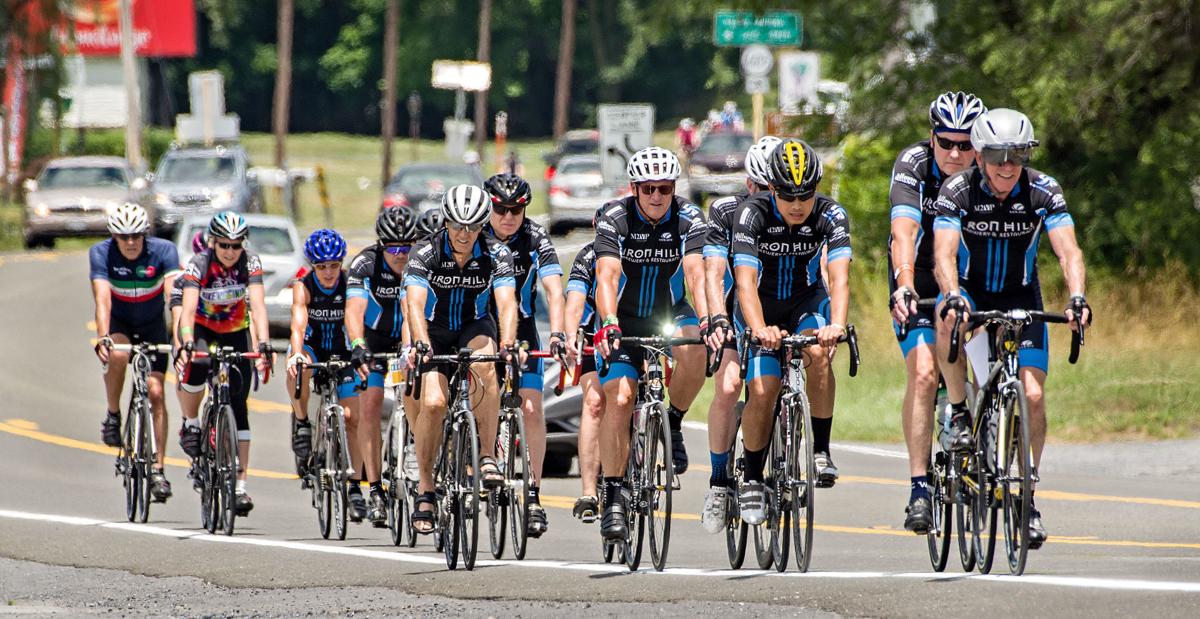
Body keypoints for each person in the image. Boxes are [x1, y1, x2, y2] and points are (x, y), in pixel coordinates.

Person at [932, 108, 1091, 547]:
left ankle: (1028, 498)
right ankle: (961, 410)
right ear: (980, 155)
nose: (1007, 165)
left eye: (1017, 155)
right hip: (972, 294)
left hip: (1023, 297)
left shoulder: (1042, 190)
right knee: (945, 319)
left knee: (1034, 396)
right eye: (998, 155)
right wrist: (951, 294)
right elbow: (944, 254)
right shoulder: (957, 189)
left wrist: (1077, 297)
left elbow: (1068, 251)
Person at [731, 139, 852, 524]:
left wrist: (836, 325)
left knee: (818, 354)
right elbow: (745, 282)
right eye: (786, 195)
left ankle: (821, 450)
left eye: (806, 195)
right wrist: (758, 328)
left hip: (806, 301)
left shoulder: (831, 215)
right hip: (759, 306)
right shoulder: (752, 214)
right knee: (763, 389)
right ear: (771, 188)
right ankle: (751, 478)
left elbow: (839, 276)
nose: (797, 205)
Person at [592, 146, 709, 540]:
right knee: (621, 399)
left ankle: (672, 421)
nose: (657, 196)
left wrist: (712, 318)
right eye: (648, 189)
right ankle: (611, 495)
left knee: (696, 348)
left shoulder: (689, 217)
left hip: (670, 309)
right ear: (635, 189)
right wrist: (608, 322)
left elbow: (696, 273)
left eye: (664, 188)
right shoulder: (615, 218)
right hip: (622, 319)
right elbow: (606, 277)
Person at [888, 91, 987, 533]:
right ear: (931, 138)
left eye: (965, 145)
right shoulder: (913, 165)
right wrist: (905, 283)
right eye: (946, 142)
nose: (954, 153)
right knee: (926, 374)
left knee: (989, 370)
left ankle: (992, 442)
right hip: (921, 284)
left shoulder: (995, 171)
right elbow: (904, 231)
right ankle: (919, 487)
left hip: (977, 285)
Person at [403, 184, 521, 535]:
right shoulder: (424, 252)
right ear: (446, 221)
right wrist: (421, 343)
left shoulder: (497, 253)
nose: (464, 234)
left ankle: (487, 455)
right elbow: (413, 303)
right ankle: (426, 490)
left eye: (472, 227)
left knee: (486, 364)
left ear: (484, 224)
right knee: (435, 404)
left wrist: (509, 342)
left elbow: (506, 302)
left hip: (474, 324)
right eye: (457, 225)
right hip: (433, 329)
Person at [698, 135, 780, 533]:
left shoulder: (798, 212)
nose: (771, 197)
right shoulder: (726, 211)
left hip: (781, 311)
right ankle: (717, 483)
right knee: (729, 387)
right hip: (734, 310)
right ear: (750, 185)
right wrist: (716, 318)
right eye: (763, 189)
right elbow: (714, 272)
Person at [482, 173, 567, 537]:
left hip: (524, 332)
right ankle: (471, 464)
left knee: (532, 407)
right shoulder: (474, 237)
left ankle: (533, 496)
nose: (508, 216)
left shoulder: (535, 237)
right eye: (500, 209)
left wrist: (560, 333)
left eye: (516, 209)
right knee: (473, 397)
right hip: (479, 330)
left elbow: (553, 289)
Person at [176, 211, 273, 516]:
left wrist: (264, 344)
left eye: (236, 245)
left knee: (239, 403)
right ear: (213, 242)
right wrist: (188, 340)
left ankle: (241, 487)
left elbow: (257, 305)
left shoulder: (250, 262)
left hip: (235, 331)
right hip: (205, 329)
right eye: (224, 245)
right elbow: (188, 310)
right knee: (198, 366)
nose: (231, 252)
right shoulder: (200, 264)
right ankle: (190, 424)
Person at [90, 203, 180, 502]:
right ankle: (114, 415)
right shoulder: (101, 253)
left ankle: (158, 470)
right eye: (123, 237)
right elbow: (102, 300)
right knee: (116, 354)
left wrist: (181, 337)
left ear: (145, 234)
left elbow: (174, 297)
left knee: (155, 392)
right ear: (114, 236)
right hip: (121, 322)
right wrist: (103, 337)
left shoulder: (164, 252)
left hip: (154, 325)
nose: (130, 243)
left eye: (136, 236)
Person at [344, 207, 421, 526]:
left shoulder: (421, 260)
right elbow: (354, 310)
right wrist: (358, 346)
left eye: (407, 247)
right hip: (374, 341)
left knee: (419, 399)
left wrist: (411, 348)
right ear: (381, 245)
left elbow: (413, 306)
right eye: (394, 248)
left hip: (409, 337)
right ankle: (375, 487)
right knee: (370, 405)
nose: (401, 254)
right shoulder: (365, 263)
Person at [286, 229, 359, 480]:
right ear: (312, 266)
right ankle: (302, 421)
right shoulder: (303, 286)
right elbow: (298, 325)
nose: (328, 272)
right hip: (311, 346)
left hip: (342, 349)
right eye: (321, 266)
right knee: (299, 367)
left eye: (334, 265)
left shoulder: (350, 284)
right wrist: (296, 354)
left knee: (350, 417)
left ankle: (353, 484)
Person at [564, 210, 605, 522]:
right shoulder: (587, 256)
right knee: (593, 402)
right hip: (593, 335)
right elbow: (575, 301)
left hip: (633, 334)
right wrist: (569, 335)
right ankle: (589, 490)